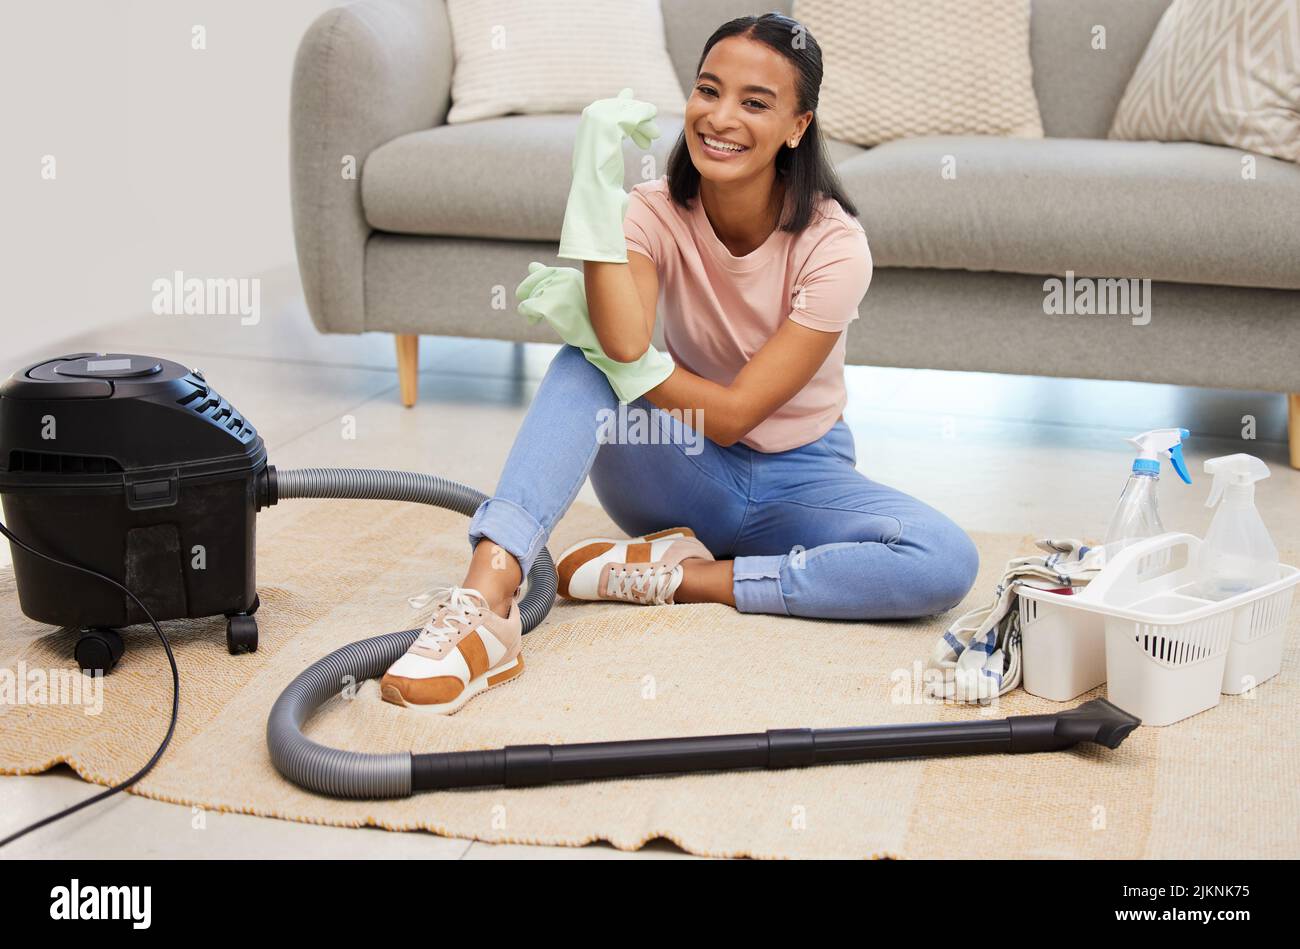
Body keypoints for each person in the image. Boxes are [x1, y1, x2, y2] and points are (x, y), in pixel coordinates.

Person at [379, 12, 979, 714]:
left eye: (755, 102)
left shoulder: (834, 245)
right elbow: (622, 343)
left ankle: (684, 576)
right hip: (673, 465)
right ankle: (488, 597)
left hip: (801, 478)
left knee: (946, 558)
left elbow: (733, 415)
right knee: (587, 357)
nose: (721, 117)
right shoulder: (654, 211)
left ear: (798, 125)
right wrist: (593, 199)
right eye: (708, 90)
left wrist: (630, 362)